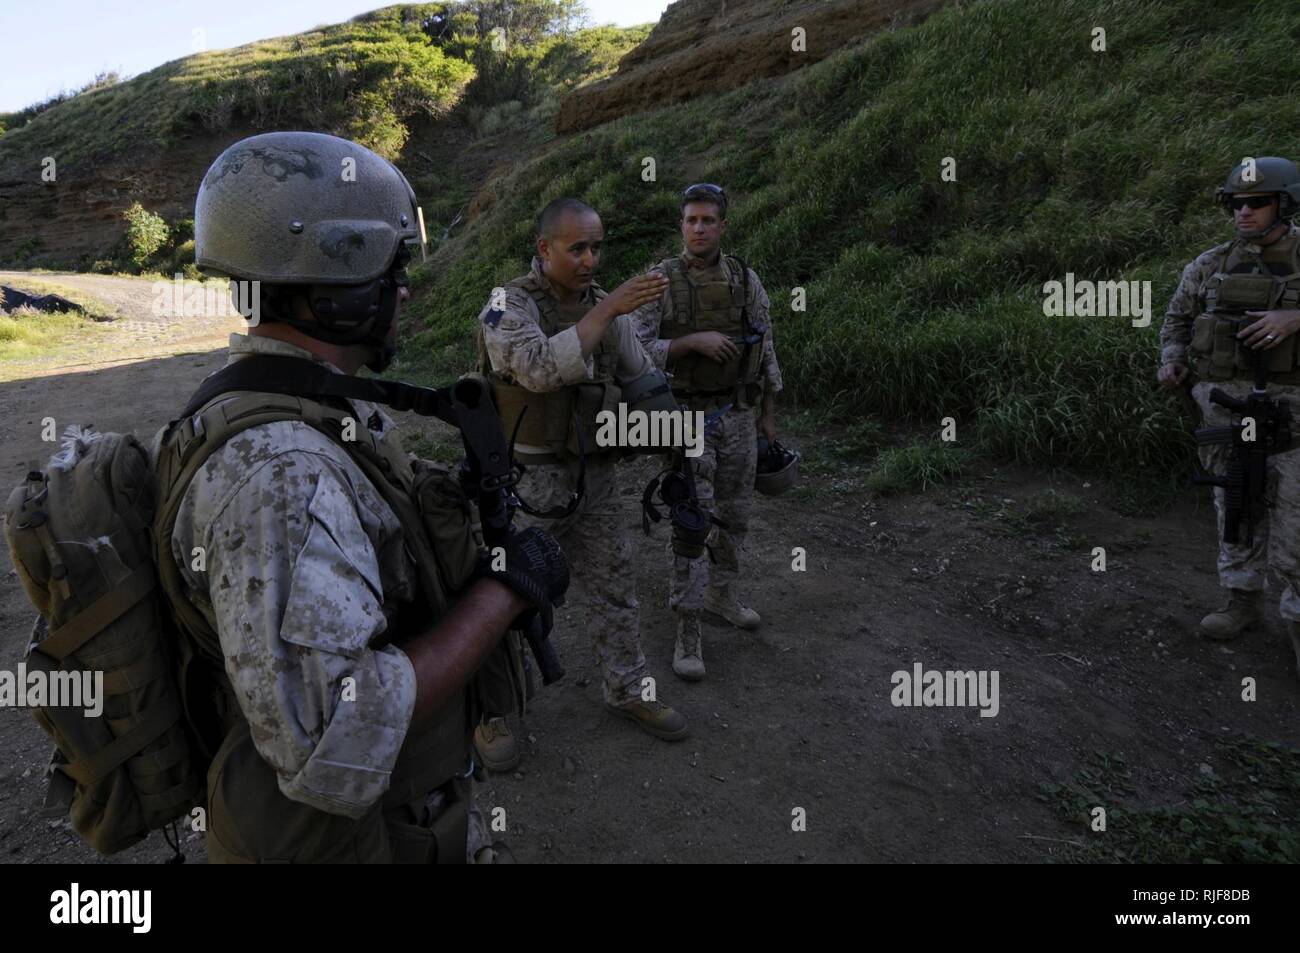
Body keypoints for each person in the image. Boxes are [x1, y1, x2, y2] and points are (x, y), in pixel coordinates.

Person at [159, 130, 569, 862]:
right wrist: (504, 593)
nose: (404, 288)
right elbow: (333, 737)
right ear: (334, 276)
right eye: (390, 266)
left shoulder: (305, 408)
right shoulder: (281, 473)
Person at [473, 196, 690, 771]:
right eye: (578, 248)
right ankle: (487, 709)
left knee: (614, 585)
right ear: (544, 249)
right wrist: (612, 308)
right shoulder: (505, 304)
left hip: (594, 479)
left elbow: (642, 380)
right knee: (504, 600)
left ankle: (628, 688)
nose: (591, 260)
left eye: (597, 247)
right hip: (528, 484)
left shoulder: (603, 307)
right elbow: (539, 369)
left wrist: (679, 449)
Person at [630, 183, 784, 680]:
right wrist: (688, 343)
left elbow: (766, 343)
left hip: (738, 416)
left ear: (723, 225)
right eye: (691, 220)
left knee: (735, 516)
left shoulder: (744, 278)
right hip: (684, 419)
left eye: (708, 220)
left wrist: (768, 417)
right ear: (681, 225)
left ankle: (723, 595)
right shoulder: (659, 282)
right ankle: (688, 627)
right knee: (692, 524)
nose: (699, 228)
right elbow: (630, 354)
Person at [1158, 155, 1300, 677]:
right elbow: (1177, 319)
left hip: (1293, 421)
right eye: (1237, 203)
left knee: (1296, 523)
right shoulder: (1211, 264)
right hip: (1227, 414)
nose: (1244, 212)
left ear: (1283, 204)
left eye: (1257, 203)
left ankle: (1298, 621)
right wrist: (1171, 361)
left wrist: (1295, 317)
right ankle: (1241, 601)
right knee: (1235, 509)